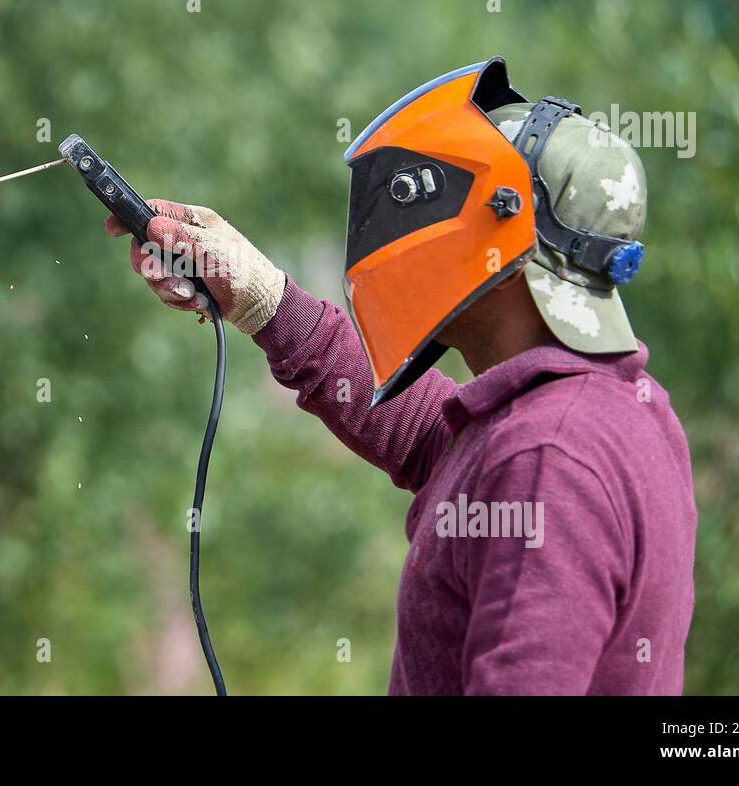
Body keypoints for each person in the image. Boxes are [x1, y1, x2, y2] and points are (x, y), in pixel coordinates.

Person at [105, 58, 697, 695]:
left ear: (506, 228)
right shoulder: (617, 413)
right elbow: (434, 439)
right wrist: (259, 297)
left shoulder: (546, 459)